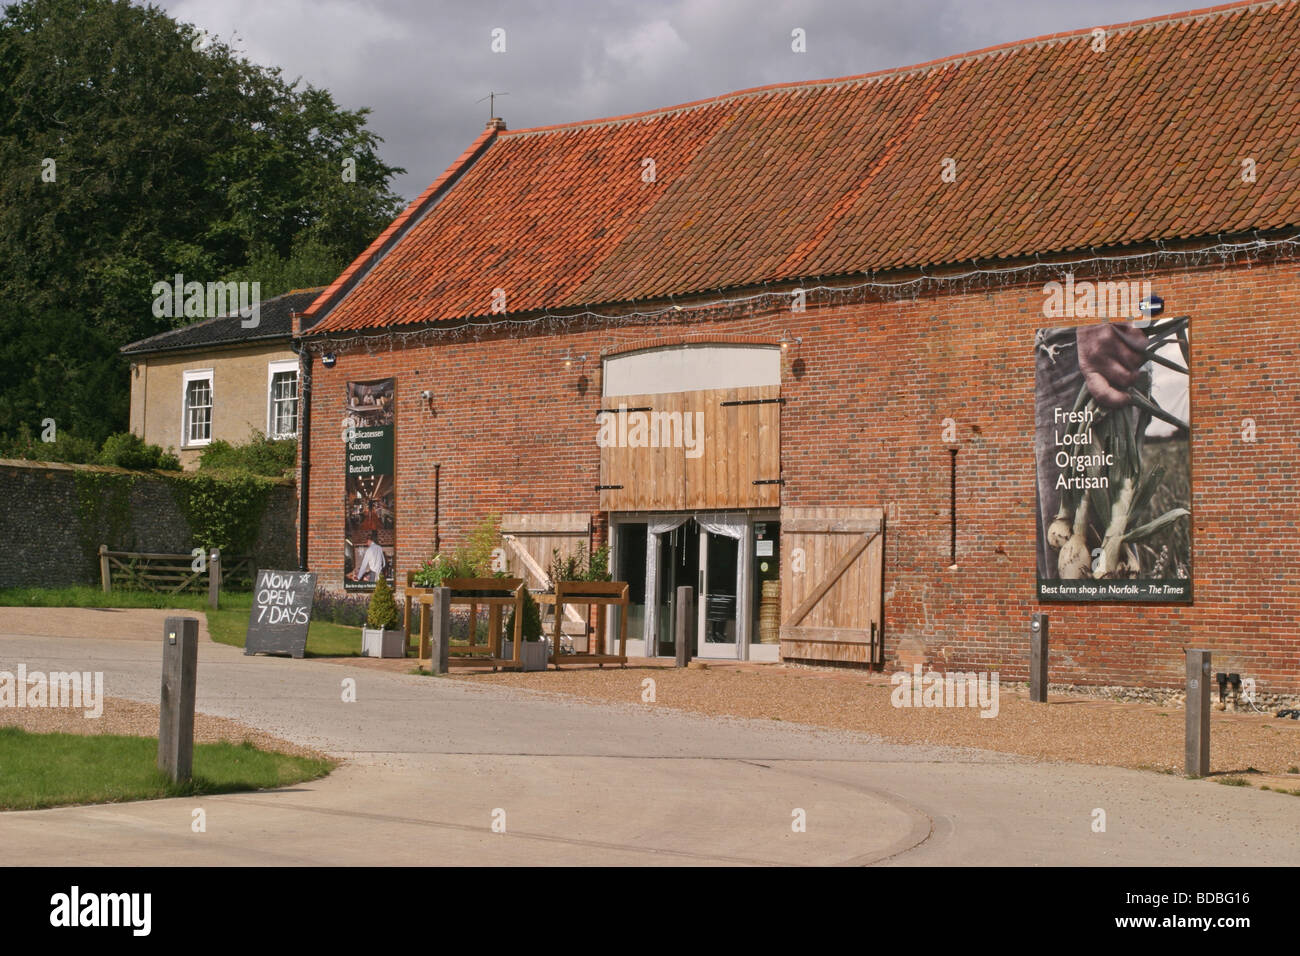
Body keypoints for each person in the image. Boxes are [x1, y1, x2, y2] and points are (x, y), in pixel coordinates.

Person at [1034, 321, 1149, 577]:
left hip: (1078, 349)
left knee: (1093, 587)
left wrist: (1099, 320)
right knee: (1049, 577)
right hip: (1056, 349)